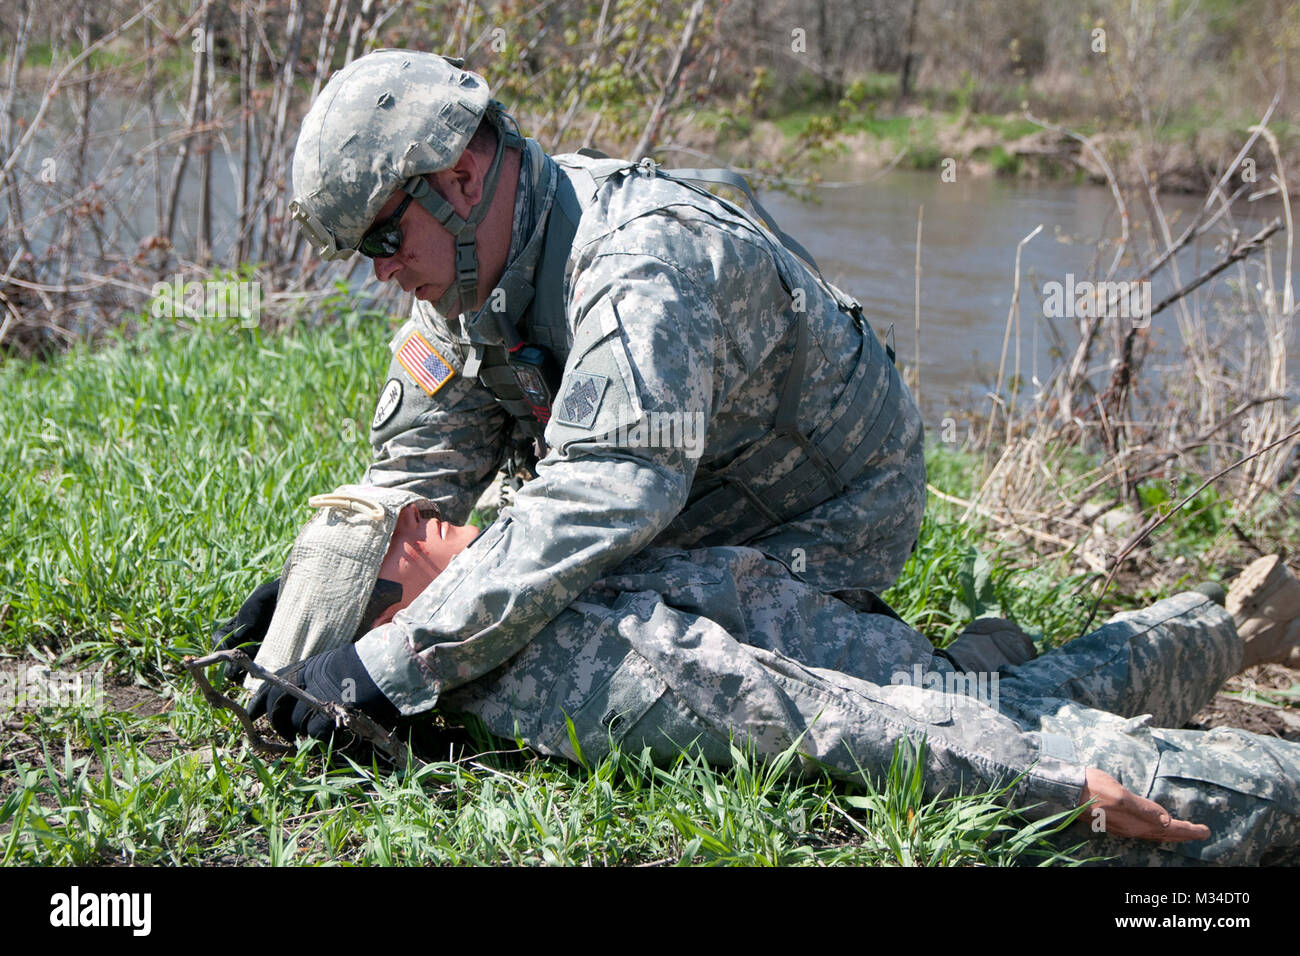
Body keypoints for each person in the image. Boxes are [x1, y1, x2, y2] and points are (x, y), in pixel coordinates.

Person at [218, 50, 926, 727]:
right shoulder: (457, 275)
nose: (380, 273)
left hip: (827, 509)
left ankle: (903, 651)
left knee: (581, 626)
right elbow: (421, 466)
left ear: (460, 178)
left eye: (382, 240)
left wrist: (391, 660)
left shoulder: (642, 264)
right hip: (681, 480)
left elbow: (607, 494)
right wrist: (331, 590)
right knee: (485, 563)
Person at [244, 484, 1300, 866]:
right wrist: (1055, 787)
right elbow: (810, 718)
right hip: (926, 718)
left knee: (1050, 672)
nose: (426, 510)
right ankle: (1234, 632)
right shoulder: (558, 664)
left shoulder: (520, 569)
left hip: (905, 664)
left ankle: (1232, 620)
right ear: (399, 615)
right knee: (1232, 792)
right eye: (409, 532)